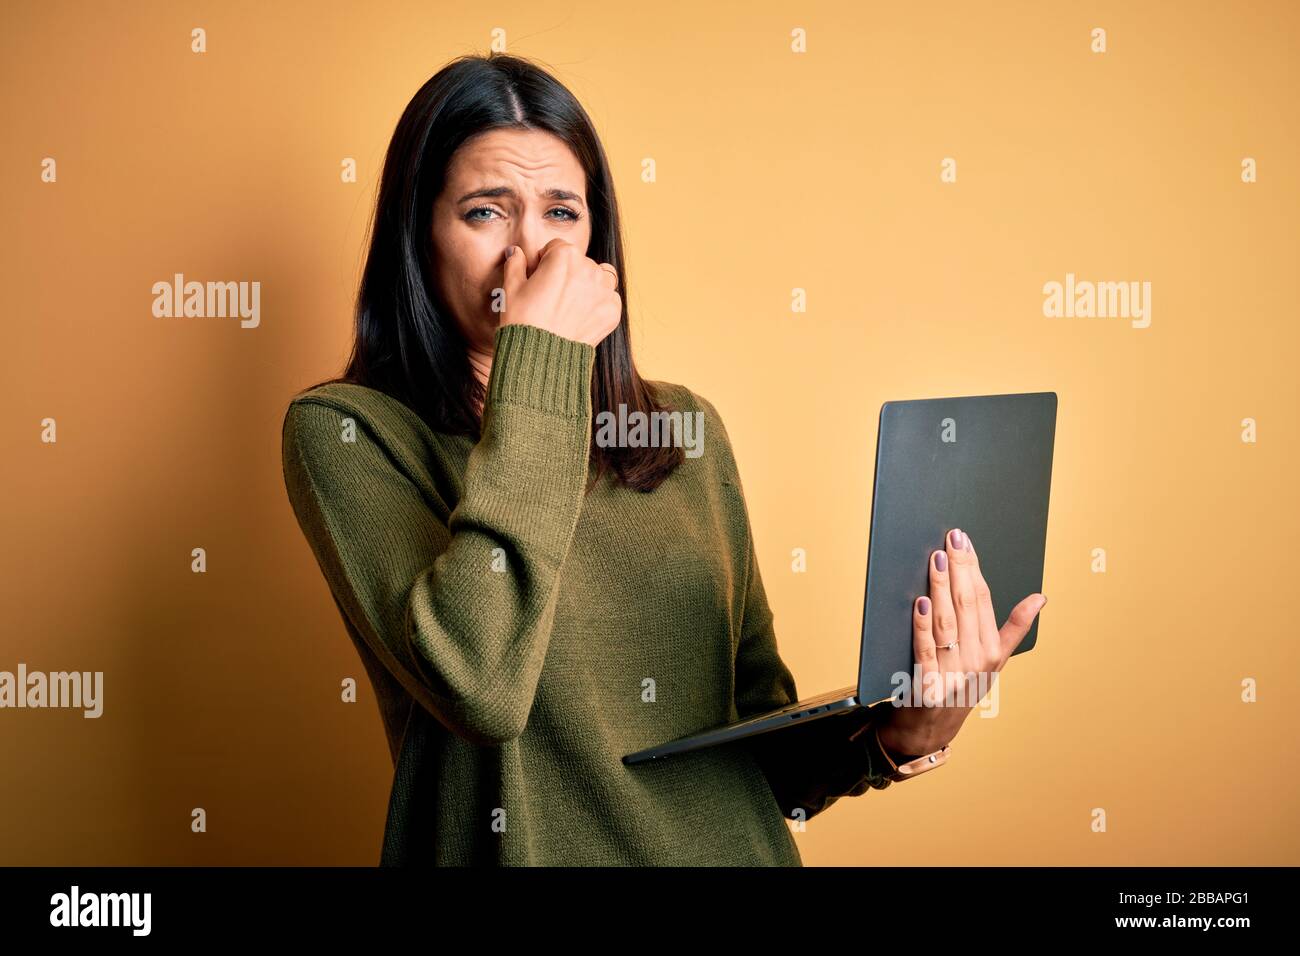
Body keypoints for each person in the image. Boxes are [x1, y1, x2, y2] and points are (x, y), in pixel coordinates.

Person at [280, 52, 1046, 866]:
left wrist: (900, 735)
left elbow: (758, 754)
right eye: (483, 213)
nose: (533, 252)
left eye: (562, 214)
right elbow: (479, 685)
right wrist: (538, 363)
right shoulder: (347, 433)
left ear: (598, 241)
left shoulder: (682, 428)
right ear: (418, 238)